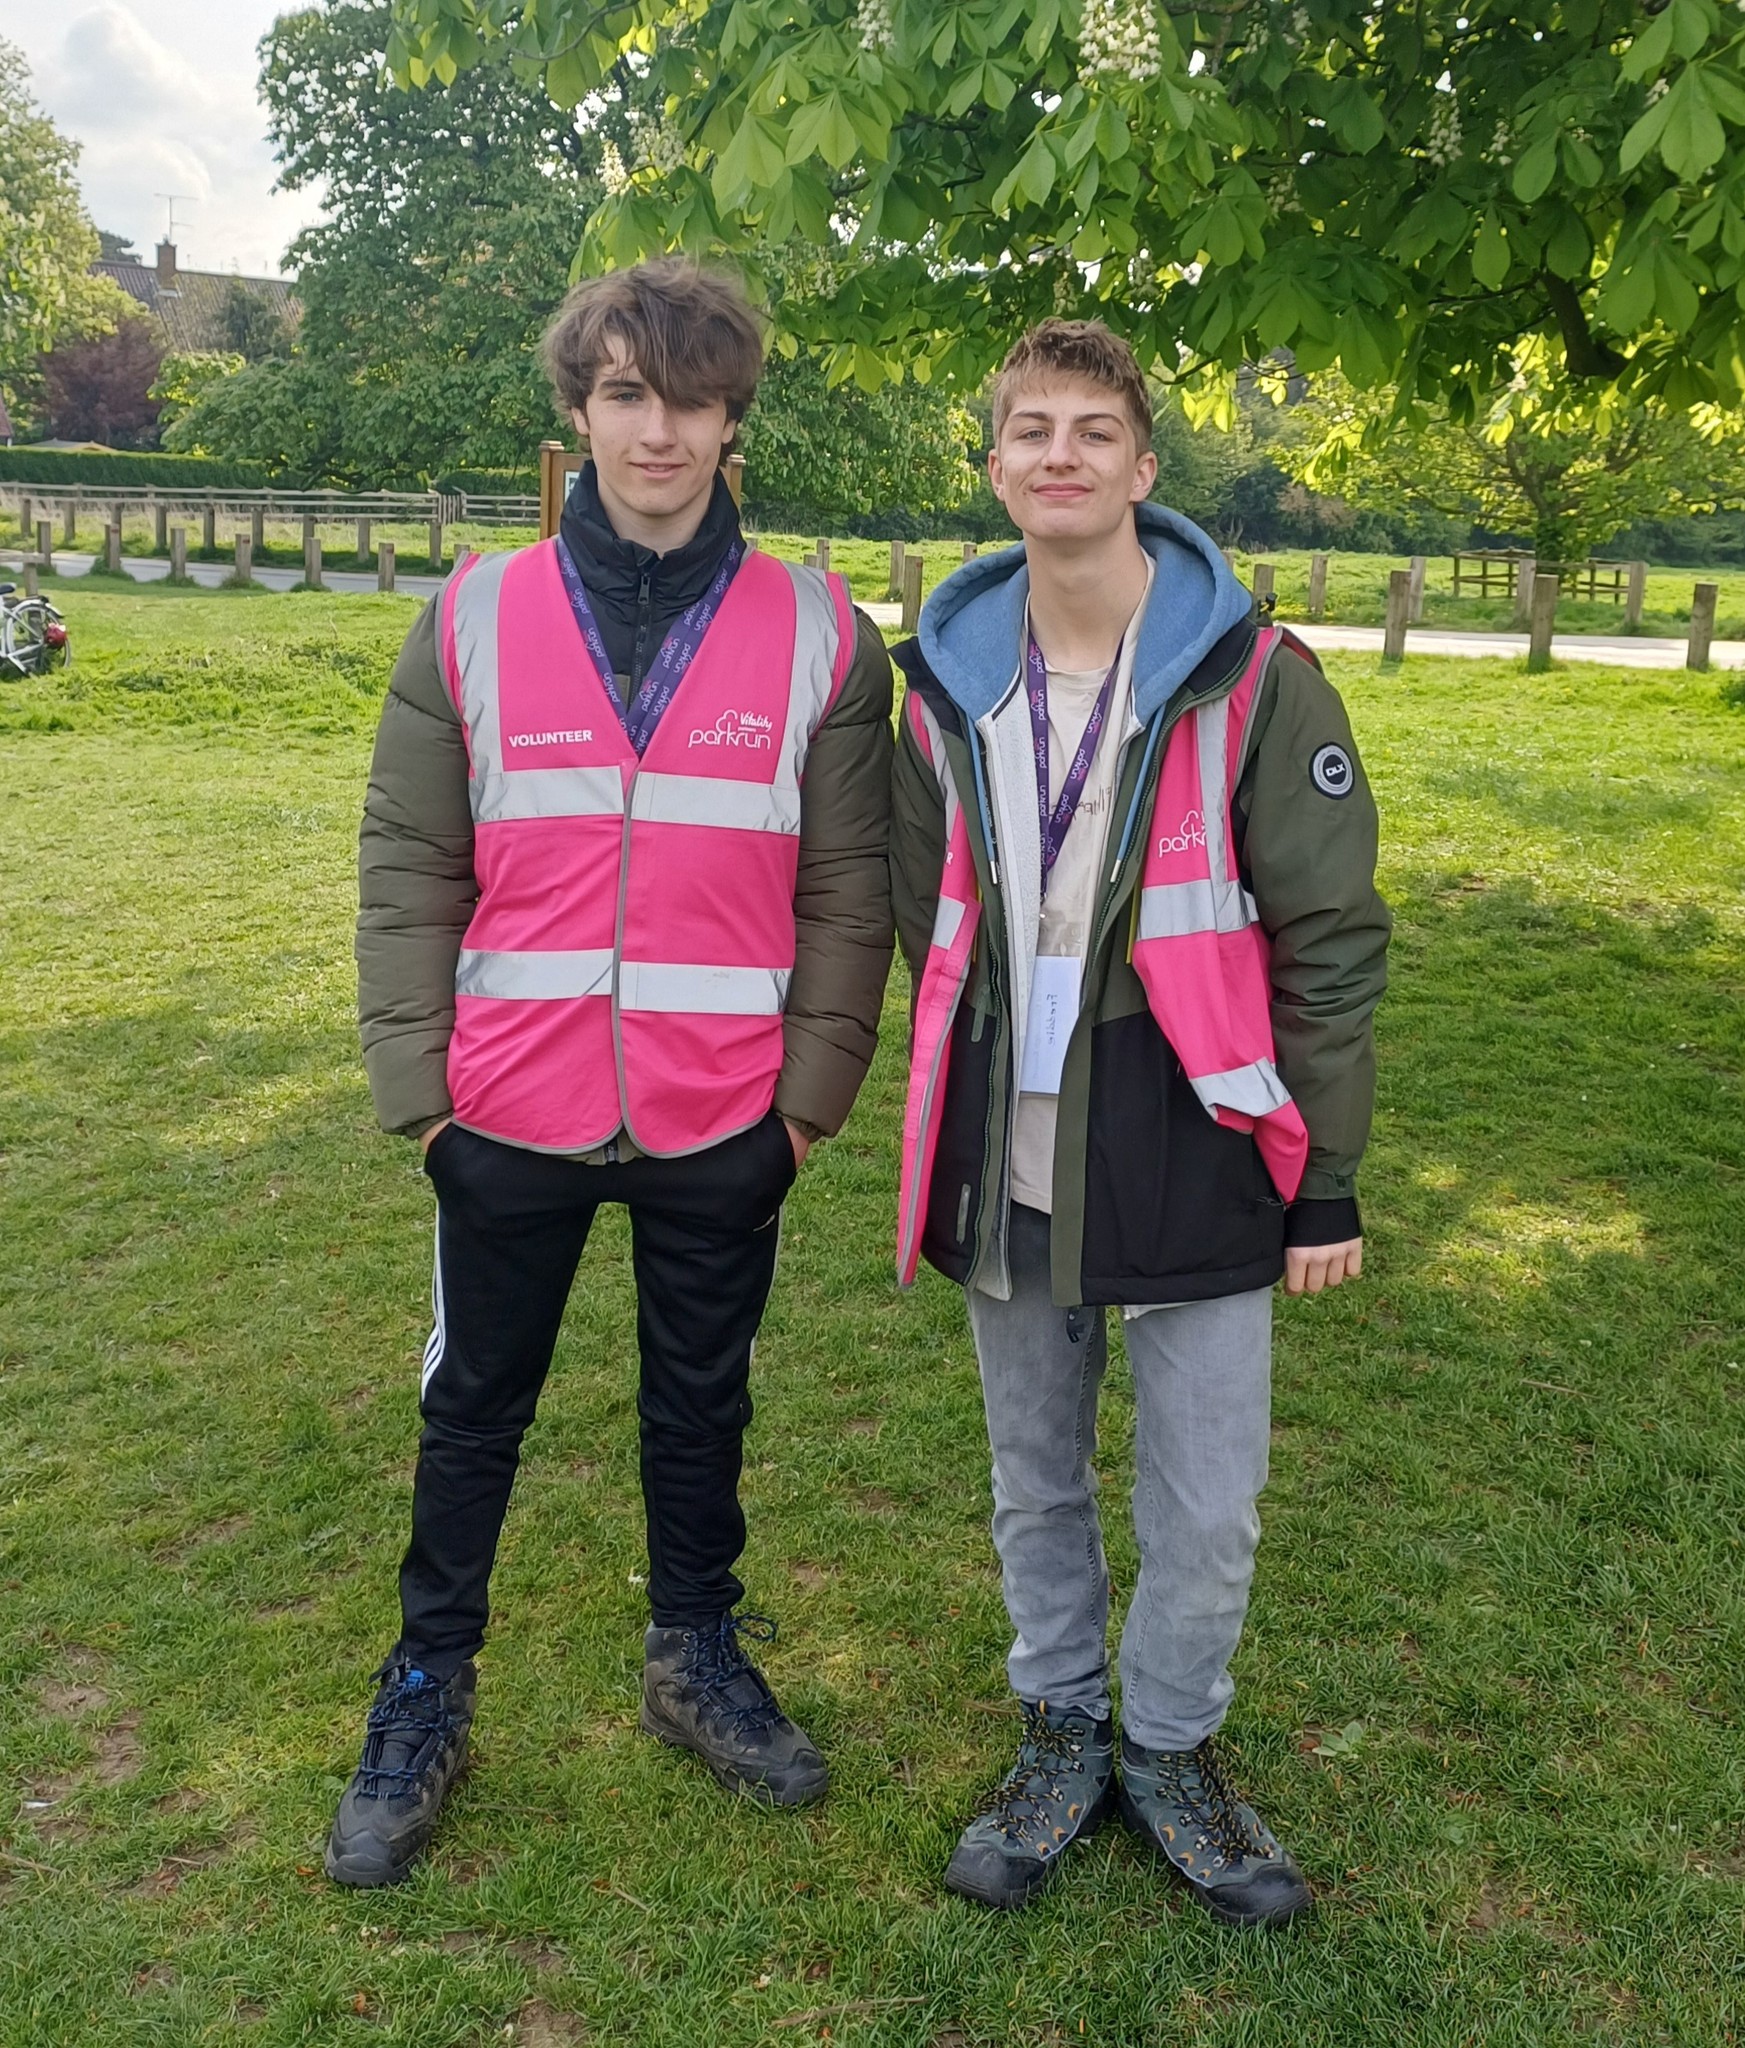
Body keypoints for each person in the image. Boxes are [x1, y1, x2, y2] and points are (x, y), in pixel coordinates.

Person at [329, 258, 895, 1888]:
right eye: (628, 394)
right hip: (502, 1107)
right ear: (578, 410)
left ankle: (694, 1654)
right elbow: (408, 860)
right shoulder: (474, 610)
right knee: (471, 1407)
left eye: (693, 398)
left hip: (726, 1113)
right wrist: (415, 1093)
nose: (660, 429)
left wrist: (809, 1103)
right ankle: (427, 1688)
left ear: (733, 420)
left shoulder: (815, 626)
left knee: (699, 1402)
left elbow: (849, 886)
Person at [889, 320, 1389, 1926]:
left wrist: (1325, 1184)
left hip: (1195, 1138)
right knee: (1031, 1475)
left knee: (1202, 1495)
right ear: (992, 467)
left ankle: (1168, 1747)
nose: (1057, 456)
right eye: (1027, 429)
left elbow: (1327, 941)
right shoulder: (943, 687)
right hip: (1006, 1142)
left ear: (1143, 469)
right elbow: (922, 911)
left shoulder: (1253, 675)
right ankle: (1060, 1732)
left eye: (1091, 431)